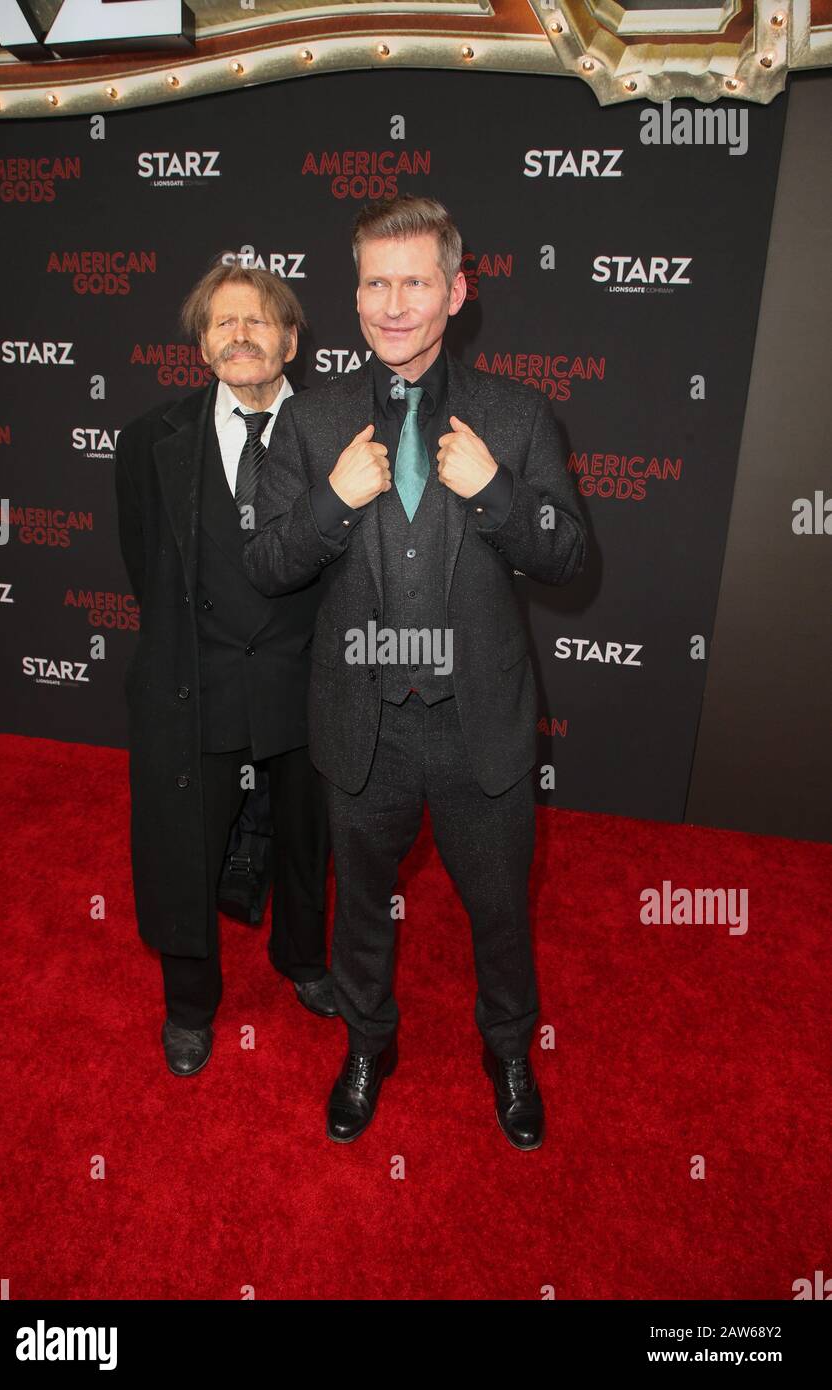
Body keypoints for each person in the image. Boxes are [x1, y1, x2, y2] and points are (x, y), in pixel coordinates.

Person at [243, 196, 587, 1148]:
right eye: (375, 282)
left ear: (455, 291)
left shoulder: (516, 417)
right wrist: (329, 505)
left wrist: (501, 495)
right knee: (361, 908)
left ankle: (509, 1049)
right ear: (354, 292)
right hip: (367, 722)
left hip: (478, 718)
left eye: (416, 282)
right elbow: (268, 563)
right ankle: (366, 1043)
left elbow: (567, 556)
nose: (393, 304)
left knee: (500, 909)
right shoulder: (308, 424)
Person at [114, 257, 335, 1078]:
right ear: (202, 347)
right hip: (194, 684)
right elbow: (149, 569)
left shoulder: (339, 434)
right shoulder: (147, 443)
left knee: (309, 839)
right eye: (222, 323)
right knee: (184, 848)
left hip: (305, 681)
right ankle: (189, 1003)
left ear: (289, 338)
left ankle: (304, 959)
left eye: (258, 321)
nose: (240, 335)